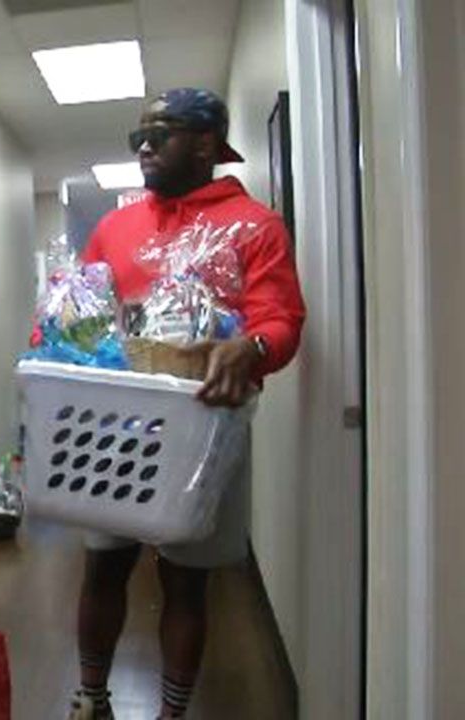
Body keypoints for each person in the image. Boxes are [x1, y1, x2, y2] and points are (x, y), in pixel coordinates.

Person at [69, 88, 306, 720]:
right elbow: (82, 312)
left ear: (206, 143)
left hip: (204, 427)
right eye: (137, 137)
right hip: (114, 428)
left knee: (186, 581)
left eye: (161, 134)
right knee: (103, 568)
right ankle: (92, 698)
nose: (144, 147)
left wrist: (251, 348)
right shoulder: (117, 226)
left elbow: (281, 319)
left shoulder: (255, 225)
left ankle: (172, 712)